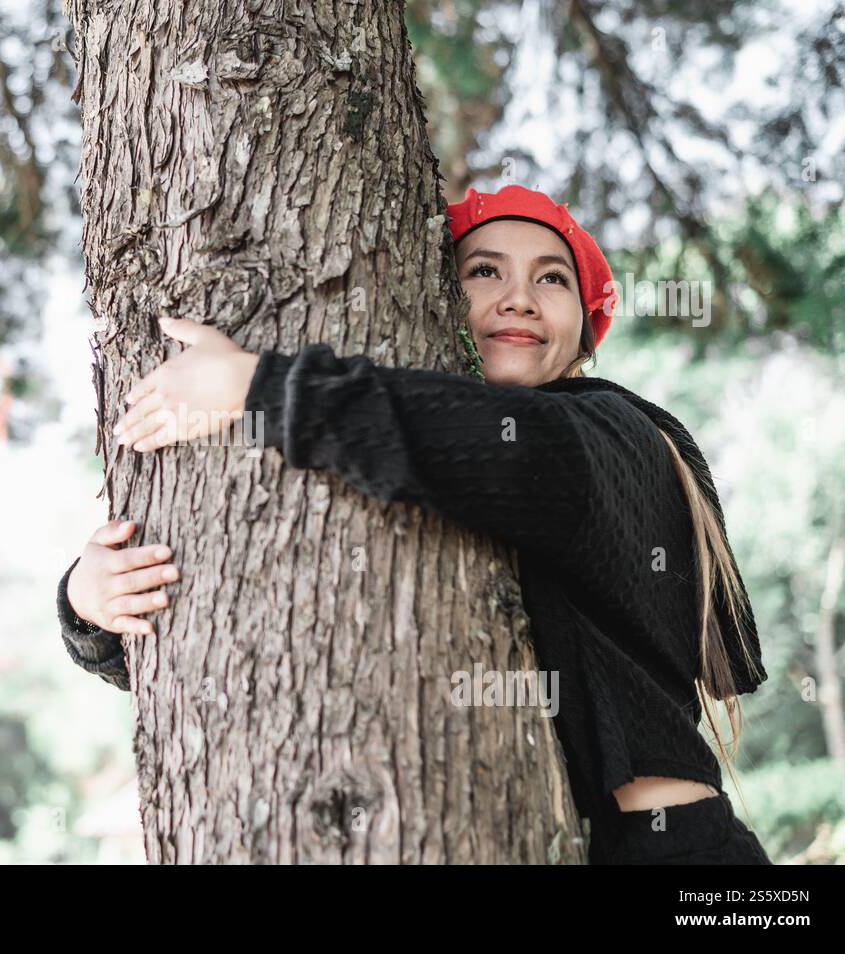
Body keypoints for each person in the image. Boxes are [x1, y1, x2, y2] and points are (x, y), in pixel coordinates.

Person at [54, 184, 772, 865]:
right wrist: (92, 606)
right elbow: (263, 634)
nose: (519, 296)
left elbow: (491, 446)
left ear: (585, 334)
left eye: (553, 280)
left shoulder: (614, 434)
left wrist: (258, 387)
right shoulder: (467, 498)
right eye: (484, 270)